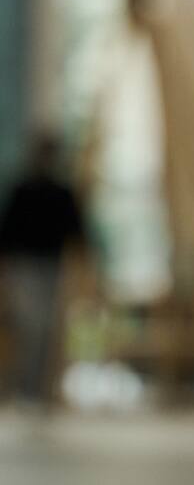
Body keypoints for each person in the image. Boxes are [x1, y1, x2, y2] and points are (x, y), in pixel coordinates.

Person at [0, 127, 88, 410]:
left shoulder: (62, 191)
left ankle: (38, 389)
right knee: (29, 326)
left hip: (51, 266)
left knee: (46, 329)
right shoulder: (22, 189)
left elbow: (76, 231)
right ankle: (25, 387)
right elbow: (8, 231)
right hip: (25, 267)